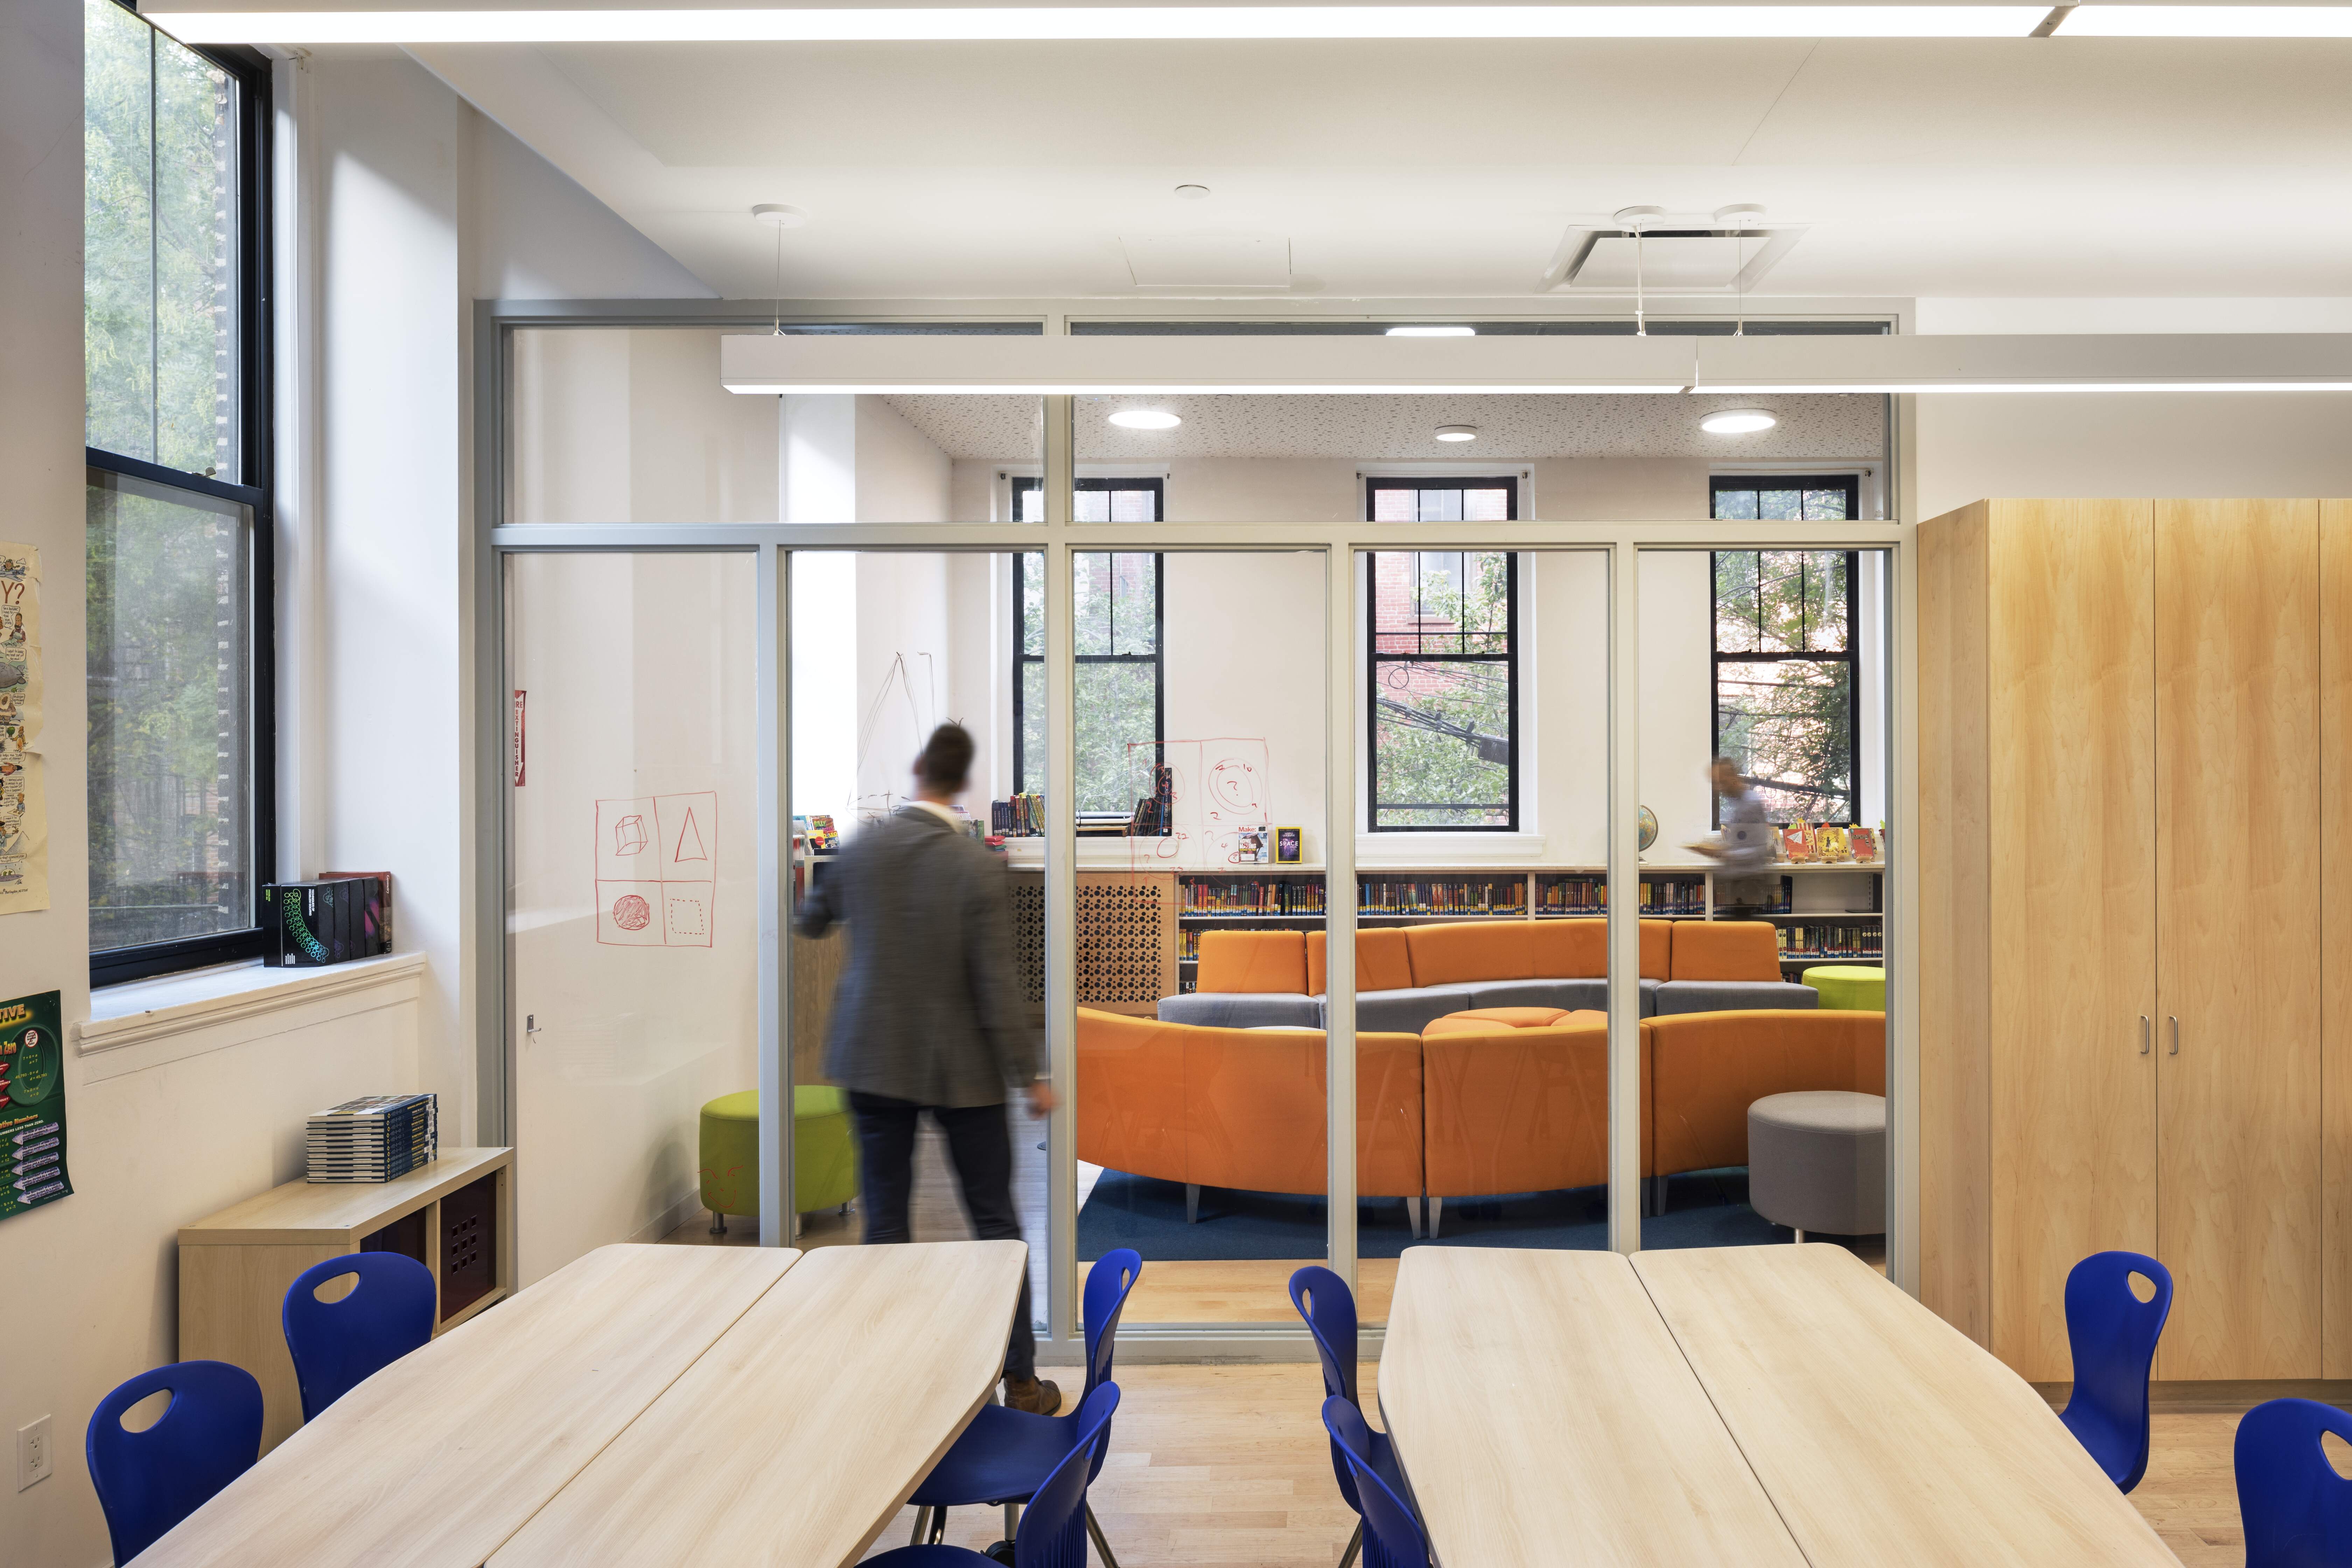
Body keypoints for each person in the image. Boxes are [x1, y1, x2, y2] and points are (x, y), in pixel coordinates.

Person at [796, 722, 1061, 1415]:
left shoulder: (862, 846)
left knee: (885, 1218)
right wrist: (1027, 1071)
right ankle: (1022, 1380)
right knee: (995, 1220)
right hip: (960, 1065)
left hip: (871, 1056)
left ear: (917, 770)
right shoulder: (976, 863)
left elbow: (812, 920)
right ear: (963, 783)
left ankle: (894, 1373)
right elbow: (995, 980)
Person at [1687, 755, 1778, 916]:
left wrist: (1721, 853)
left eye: (1721, 782)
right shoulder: (1740, 804)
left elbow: (1759, 849)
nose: (1718, 788)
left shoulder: (1751, 803)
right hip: (1739, 883)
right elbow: (1743, 843)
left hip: (1748, 883)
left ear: (1732, 777)